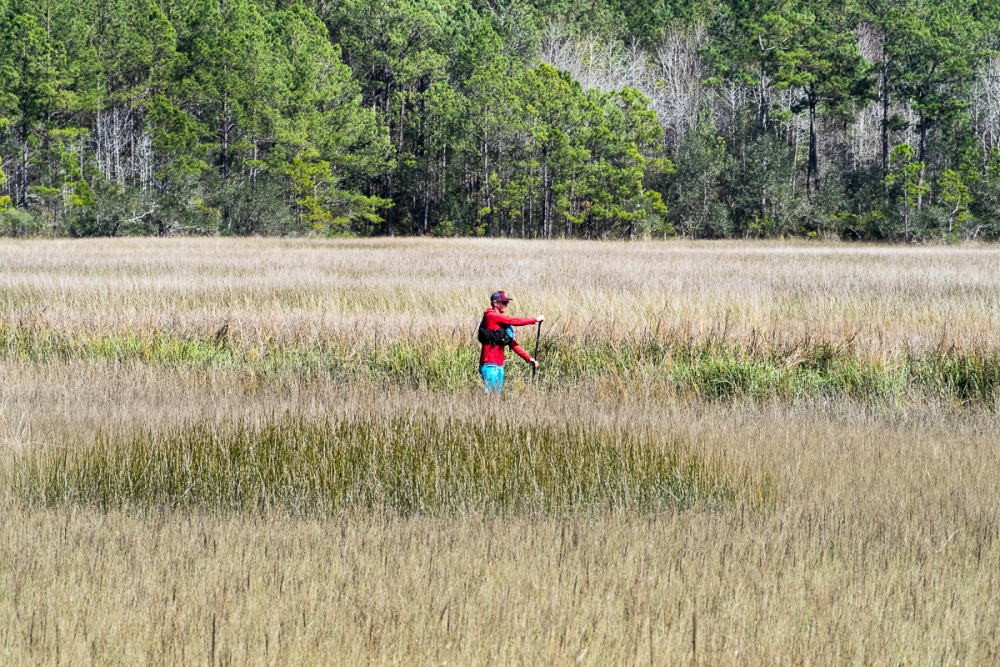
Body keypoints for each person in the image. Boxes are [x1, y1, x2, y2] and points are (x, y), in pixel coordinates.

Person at [478, 290, 543, 394]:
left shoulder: (501, 323)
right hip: (489, 365)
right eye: (504, 302)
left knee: (496, 398)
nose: (506, 305)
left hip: (499, 365)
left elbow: (512, 343)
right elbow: (514, 321)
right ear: (495, 303)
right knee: (489, 398)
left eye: (507, 302)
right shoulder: (490, 316)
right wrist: (535, 319)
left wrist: (528, 358)